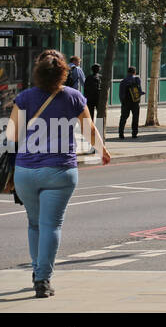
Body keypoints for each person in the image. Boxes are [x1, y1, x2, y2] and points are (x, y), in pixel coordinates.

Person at [6, 49, 110, 297]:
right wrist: (103, 151)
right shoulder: (74, 97)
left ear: (38, 73)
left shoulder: (24, 98)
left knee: (34, 223)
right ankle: (43, 279)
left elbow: (11, 137)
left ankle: (37, 271)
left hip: (26, 171)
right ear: (64, 72)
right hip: (60, 171)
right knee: (51, 224)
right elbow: (89, 130)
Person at [118, 67, 142, 139]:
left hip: (125, 102)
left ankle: (121, 133)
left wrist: (122, 102)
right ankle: (134, 133)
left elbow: (120, 93)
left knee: (123, 117)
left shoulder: (123, 81)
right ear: (134, 72)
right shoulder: (137, 79)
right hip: (135, 102)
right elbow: (139, 91)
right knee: (135, 117)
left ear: (127, 72)